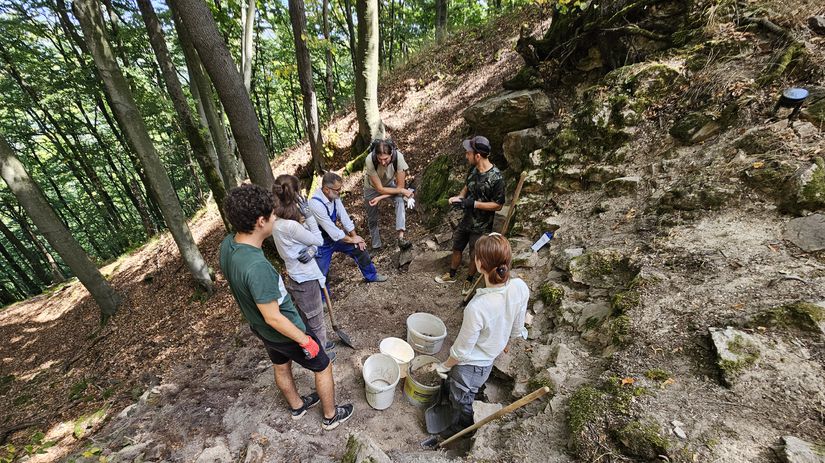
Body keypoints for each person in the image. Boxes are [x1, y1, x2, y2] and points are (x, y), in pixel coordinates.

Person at [219, 184, 353, 430]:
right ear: (260, 221)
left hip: (262, 329)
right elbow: (273, 317)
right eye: (272, 215)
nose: (275, 218)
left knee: (281, 365)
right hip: (285, 329)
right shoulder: (257, 267)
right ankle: (331, 416)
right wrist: (305, 340)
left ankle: (297, 406)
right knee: (323, 366)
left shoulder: (228, 245)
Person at [433, 234, 529, 438]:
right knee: (469, 390)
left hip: (469, 367)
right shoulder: (520, 287)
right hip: (488, 361)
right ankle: (462, 403)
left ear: (479, 264)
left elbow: (461, 351)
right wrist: (506, 342)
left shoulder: (477, 308)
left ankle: (461, 428)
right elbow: (517, 326)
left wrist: (444, 366)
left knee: (462, 399)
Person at [270, 174, 336, 359]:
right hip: (305, 278)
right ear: (296, 195)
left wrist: (312, 249)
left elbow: (303, 240)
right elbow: (318, 239)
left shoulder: (277, 223)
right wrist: (309, 216)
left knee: (307, 316)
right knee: (315, 318)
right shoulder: (290, 226)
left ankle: (319, 342)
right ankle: (321, 353)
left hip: (296, 275)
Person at [434, 136, 505, 295]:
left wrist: (473, 204)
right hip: (466, 220)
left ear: (477, 156)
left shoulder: (496, 178)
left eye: (468, 153)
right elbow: (467, 187)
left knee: (475, 254)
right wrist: (459, 198)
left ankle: (469, 280)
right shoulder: (473, 170)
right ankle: (451, 274)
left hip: (481, 226)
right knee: (457, 246)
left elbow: (498, 205)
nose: (466, 156)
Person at [309, 171, 388, 283]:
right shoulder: (315, 204)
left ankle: (372, 276)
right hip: (321, 243)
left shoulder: (334, 196)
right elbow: (332, 231)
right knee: (321, 273)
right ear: (326, 189)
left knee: (359, 248)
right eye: (337, 190)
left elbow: (344, 217)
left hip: (335, 237)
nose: (340, 192)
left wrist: (355, 238)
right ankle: (322, 294)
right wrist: (351, 239)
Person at [362, 139, 414, 250]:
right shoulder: (370, 160)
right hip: (371, 187)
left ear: (391, 154)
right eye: (379, 159)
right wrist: (402, 191)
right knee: (372, 218)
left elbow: (400, 187)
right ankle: (376, 245)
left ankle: (401, 238)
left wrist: (380, 197)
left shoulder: (398, 158)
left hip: (389, 184)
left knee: (399, 200)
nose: (383, 162)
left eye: (385, 159)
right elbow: (380, 189)